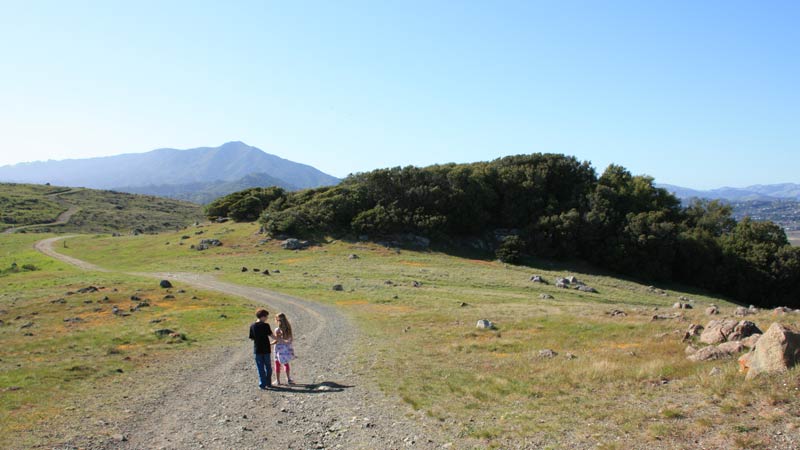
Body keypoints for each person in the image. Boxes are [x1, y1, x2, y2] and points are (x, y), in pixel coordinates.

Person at [248, 309, 274, 389]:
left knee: (260, 368)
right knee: (268, 367)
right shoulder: (266, 325)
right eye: (266, 316)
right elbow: (271, 335)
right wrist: (279, 339)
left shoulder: (252, 326)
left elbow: (251, 338)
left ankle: (262, 384)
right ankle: (268, 383)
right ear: (262, 317)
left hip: (257, 349)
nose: (267, 318)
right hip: (266, 349)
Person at [274, 312, 295, 385]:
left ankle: (278, 380)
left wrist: (271, 343)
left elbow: (277, 339)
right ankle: (289, 379)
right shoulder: (288, 328)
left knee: (277, 363)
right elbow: (291, 338)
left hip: (279, 348)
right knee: (286, 363)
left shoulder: (277, 330)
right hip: (287, 347)